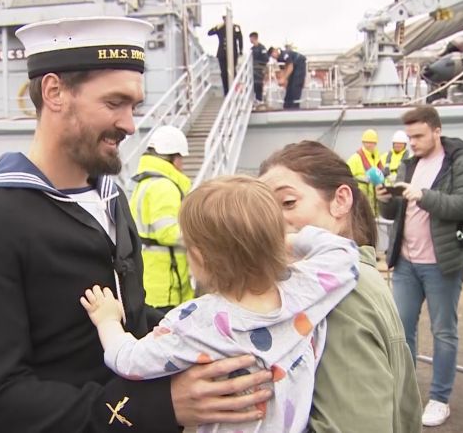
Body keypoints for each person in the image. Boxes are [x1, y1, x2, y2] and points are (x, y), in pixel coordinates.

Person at [0, 16, 272, 433]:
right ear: (54, 92)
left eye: (133, 106)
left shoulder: (110, 198)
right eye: (114, 103)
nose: (131, 124)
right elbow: (0, 400)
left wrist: (220, 322)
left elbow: (131, 316)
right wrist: (159, 406)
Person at [82, 175, 360, 433]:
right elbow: (344, 251)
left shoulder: (199, 321)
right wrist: (274, 242)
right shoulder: (306, 291)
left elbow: (130, 361)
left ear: (199, 258)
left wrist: (107, 321)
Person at [259, 140, 422, 433]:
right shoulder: (354, 275)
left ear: (341, 200)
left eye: (288, 203)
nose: (272, 222)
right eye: (264, 209)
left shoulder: (336, 295)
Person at [377, 106, 463, 427]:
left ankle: (439, 399)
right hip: (407, 264)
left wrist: (423, 195)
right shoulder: (409, 164)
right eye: (409, 137)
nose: (412, 143)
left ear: (437, 130)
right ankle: (406, 390)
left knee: (444, 332)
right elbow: (396, 213)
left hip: (442, 265)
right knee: (401, 332)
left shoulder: (462, 164)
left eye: (419, 136)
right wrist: (386, 199)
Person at [129, 125, 193, 313]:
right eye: (182, 158)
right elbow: (168, 233)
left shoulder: (146, 183)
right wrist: (204, 237)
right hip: (166, 284)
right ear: (174, 158)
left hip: (151, 280)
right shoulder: (164, 186)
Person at [346, 128, 384, 216]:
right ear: (363, 142)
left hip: (375, 201)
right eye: (367, 142)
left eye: (372, 142)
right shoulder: (355, 158)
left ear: (376, 143)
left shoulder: (378, 158)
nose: (370, 145)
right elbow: (346, 176)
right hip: (360, 200)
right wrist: (361, 179)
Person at [208, 15, 243, 96]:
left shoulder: (235, 27)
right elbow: (209, 33)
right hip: (222, 53)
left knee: (232, 72)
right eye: (224, 19)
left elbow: (240, 39)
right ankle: (226, 92)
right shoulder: (220, 27)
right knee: (223, 73)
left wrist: (241, 50)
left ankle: (234, 90)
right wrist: (217, 27)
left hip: (232, 53)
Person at [249, 32, 268, 103]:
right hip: (253, 70)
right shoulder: (252, 49)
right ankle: (255, 100)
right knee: (254, 85)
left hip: (259, 70)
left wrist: (262, 67)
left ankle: (259, 99)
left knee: (258, 85)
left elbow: (266, 59)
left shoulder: (262, 48)